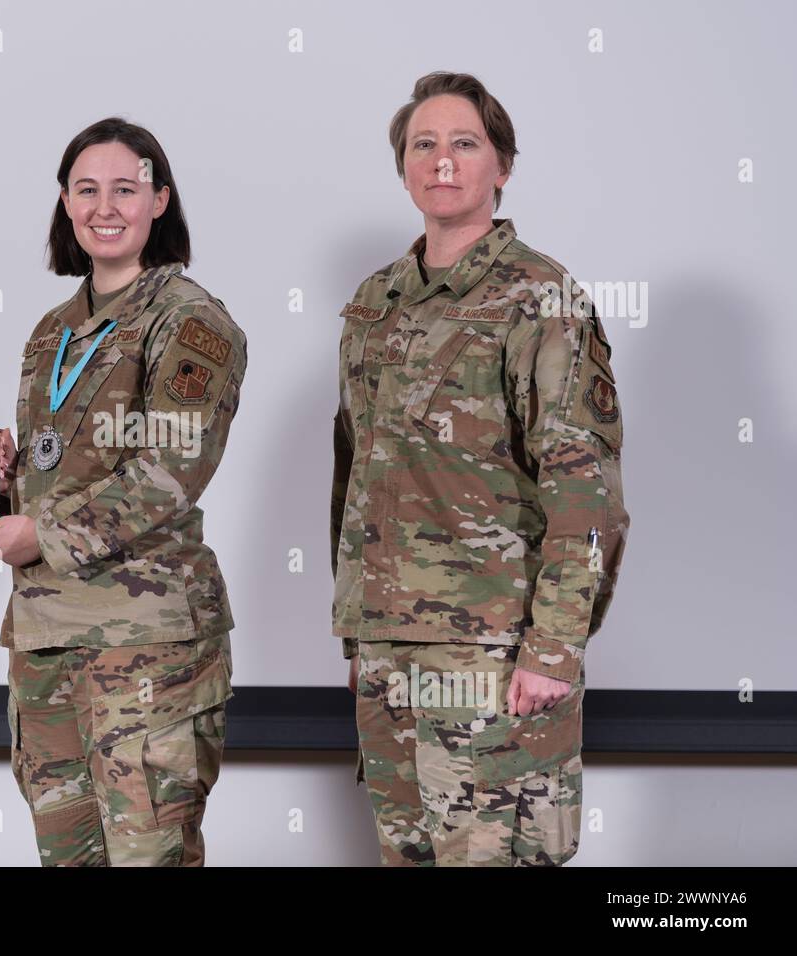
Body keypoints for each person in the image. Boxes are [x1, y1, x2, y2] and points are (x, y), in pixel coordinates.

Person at [331, 72, 629, 866]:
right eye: (423, 144)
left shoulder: (542, 300)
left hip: (495, 655)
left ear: (502, 165)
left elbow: (587, 492)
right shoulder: (373, 305)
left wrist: (554, 649)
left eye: (465, 143)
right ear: (403, 167)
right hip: (389, 650)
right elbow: (353, 474)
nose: (442, 160)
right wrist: (357, 630)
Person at [0, 117, 246, 866]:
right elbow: (65, 469)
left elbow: (168, 473)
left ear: (159, 201)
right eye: (86, 189)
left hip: (146, 646)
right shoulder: (52, 331)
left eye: (126, 188)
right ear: (65, 202)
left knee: (147, 856)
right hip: (47, 637)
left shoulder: (192, 322)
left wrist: (43, 537)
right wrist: (5, 474)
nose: (105, 206)